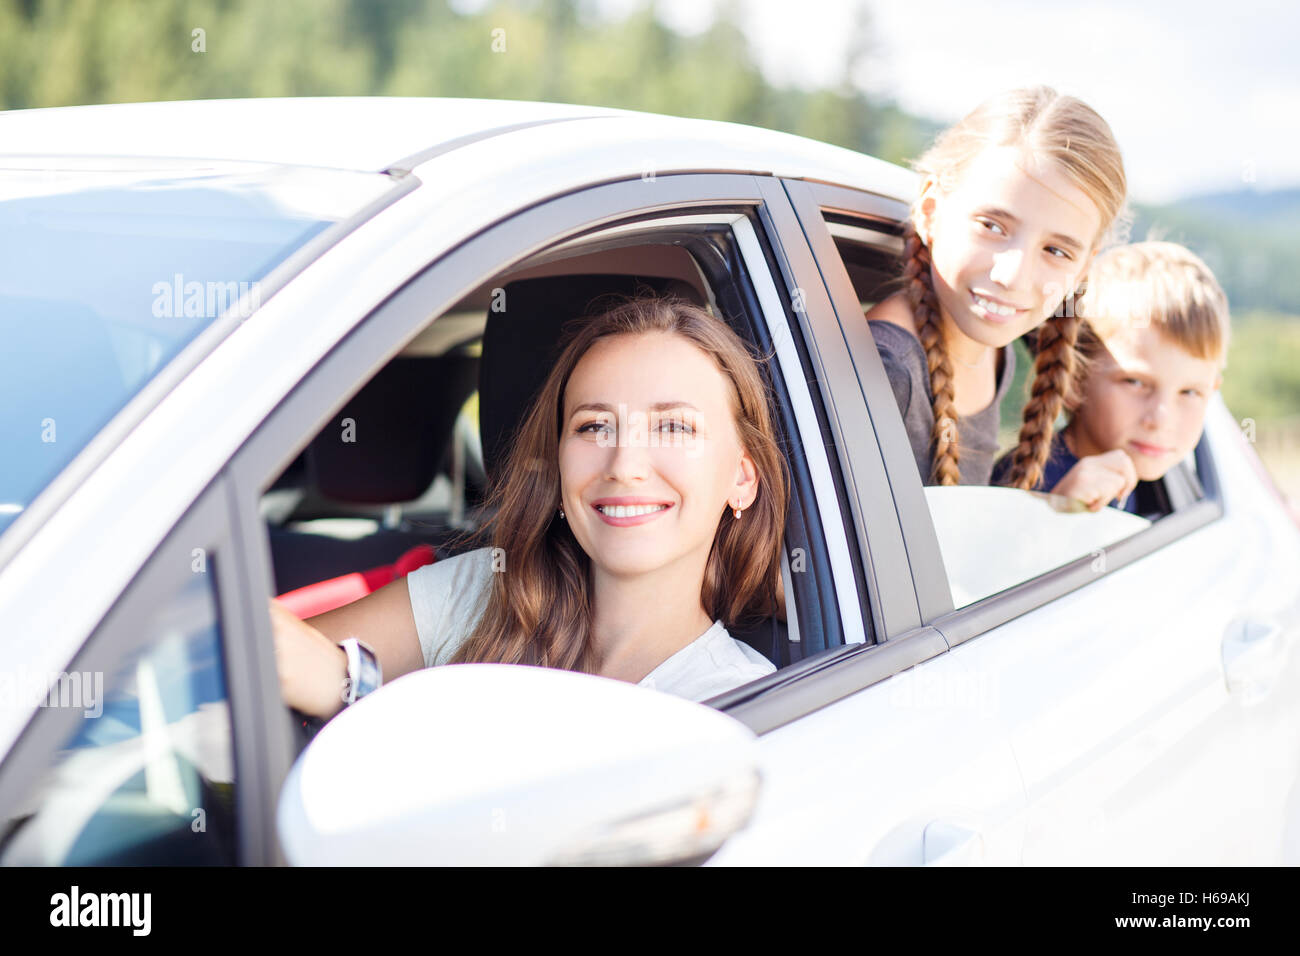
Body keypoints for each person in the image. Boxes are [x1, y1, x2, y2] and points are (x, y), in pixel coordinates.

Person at [271, 295, 790, 720]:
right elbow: (270, 665)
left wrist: (351, 690)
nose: (624, 464)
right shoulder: (483, 590)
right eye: (593, 426)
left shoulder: (737, 704)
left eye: (674, 426)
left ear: (741, 479)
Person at [865, 86, 1128, 490]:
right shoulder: (887, 369)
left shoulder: (993, 352)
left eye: (1056, 250)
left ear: (1081, 269)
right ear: (931, 211)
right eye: (992, 226)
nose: (1013, 276)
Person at [990, 241, 1230, 512]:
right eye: (1136, 382)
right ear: (1072, 382)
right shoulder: (1026, 482)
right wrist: (1059, 512)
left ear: (1212, 390)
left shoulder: (1137, 475)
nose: (1162, 419)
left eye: (1190, 392)